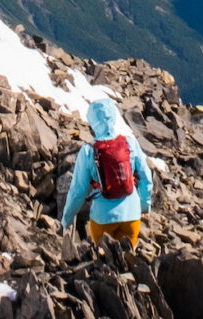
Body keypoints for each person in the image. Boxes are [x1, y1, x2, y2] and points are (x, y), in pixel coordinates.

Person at [61, 96, 153, 250]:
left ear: (92, 123)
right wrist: (144, 206)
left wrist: (67, 219)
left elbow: (78, 190)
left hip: (102, 219)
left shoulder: (88, 151)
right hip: (131, 215)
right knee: (128, 258)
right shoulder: (130, 143)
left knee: (105, 261)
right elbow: (145, 177)